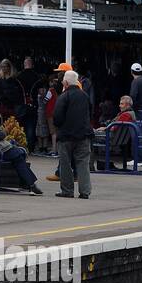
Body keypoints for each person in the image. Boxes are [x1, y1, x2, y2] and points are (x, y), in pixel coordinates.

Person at [53, 69, 93, 199]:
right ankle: (85, 191)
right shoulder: (85, 96)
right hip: (83, 135)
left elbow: (57, 118)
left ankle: (67, 190)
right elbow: (90, 113)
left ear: (65, 83)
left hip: (66, 136)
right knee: (83, 163)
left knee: (65, 163)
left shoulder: (63, 97)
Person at [94, 95, 136, 170]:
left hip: (111, 137)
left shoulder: (126, 115)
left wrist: (105, 128)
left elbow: (114, 127)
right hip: (116, 137)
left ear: (128, 105)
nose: (119, 106)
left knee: (88, 134)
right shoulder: (129, 113)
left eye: (122, 104)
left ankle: (89, 165)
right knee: (90, 132)